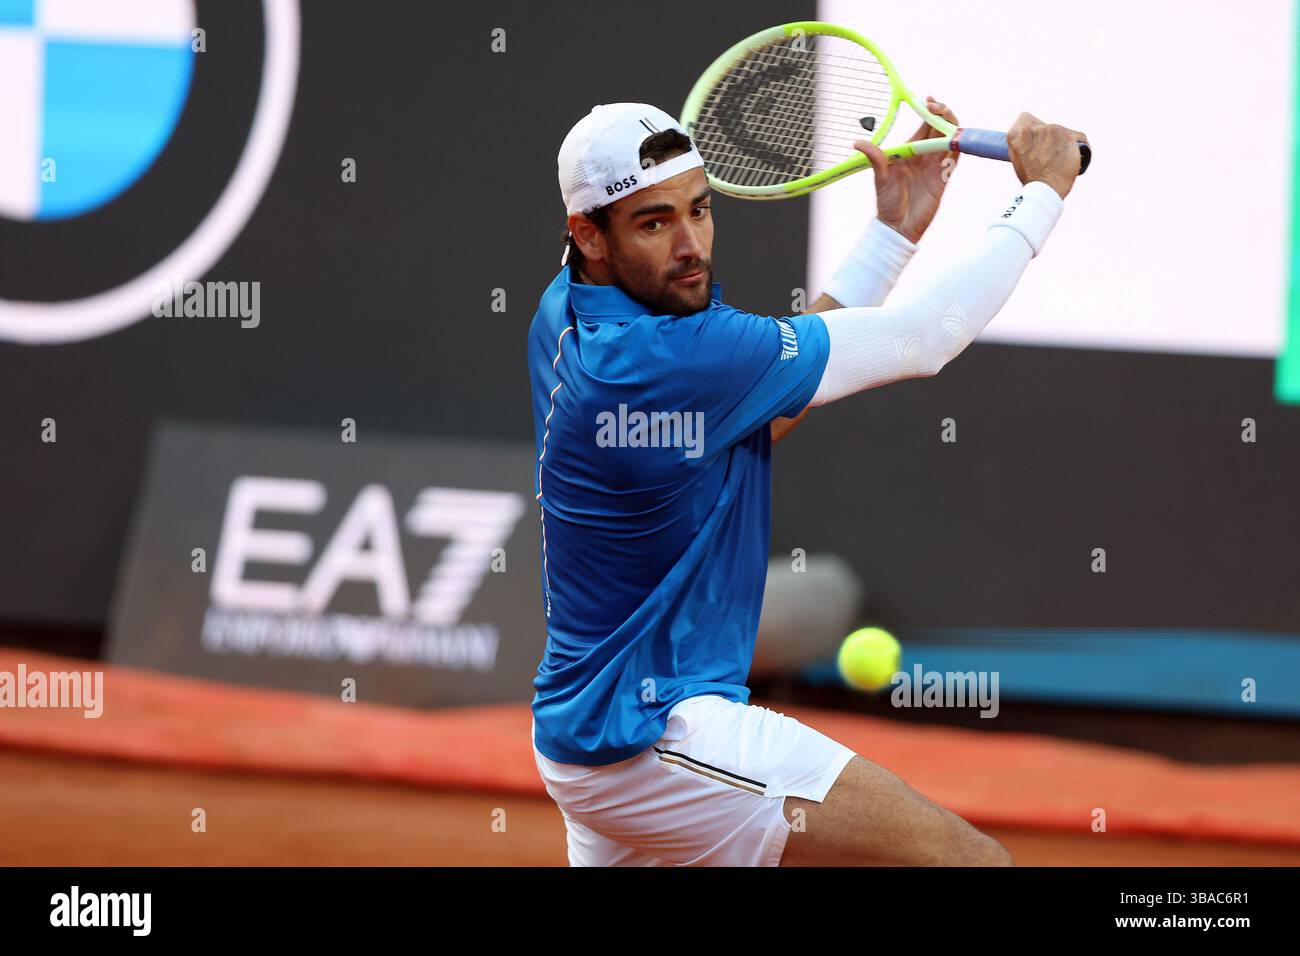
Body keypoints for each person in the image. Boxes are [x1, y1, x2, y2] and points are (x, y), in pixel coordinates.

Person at [527, 100, 1086, 866]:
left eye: (699, 209)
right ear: (589, 234)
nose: (690, 246)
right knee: (969, 861)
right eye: (654, 223)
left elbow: (760, 408)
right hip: (653, 734)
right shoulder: (666, 359)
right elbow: (924, 340)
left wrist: (892, 237)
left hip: (586, 741)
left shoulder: (570, 310)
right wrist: (1043, 192)